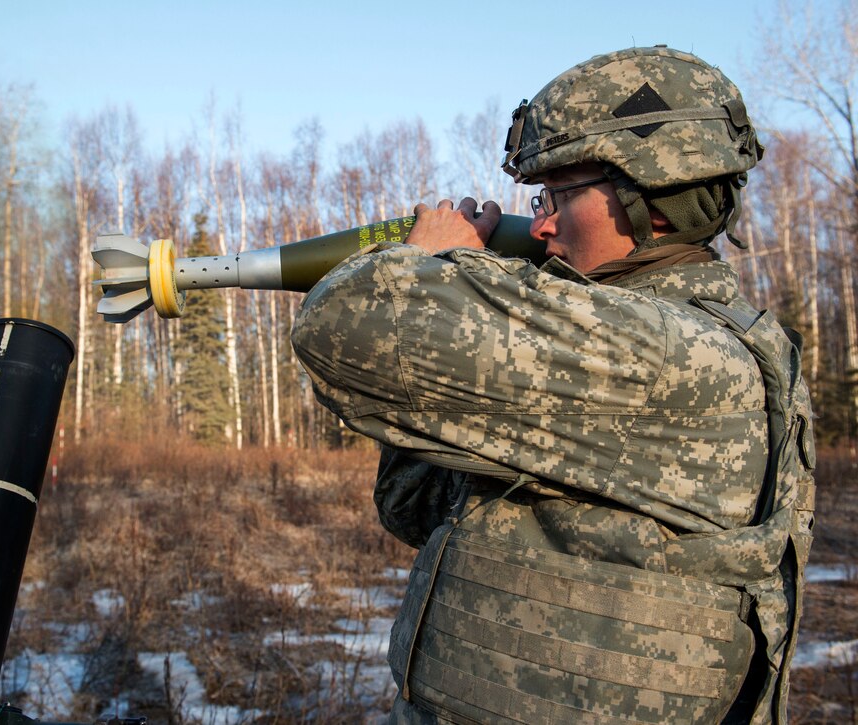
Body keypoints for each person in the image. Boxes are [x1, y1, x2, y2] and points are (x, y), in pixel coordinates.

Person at [291, 46, 816, 724]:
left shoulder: (665, 351)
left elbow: (339, 324)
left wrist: (430, 265)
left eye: (560, 196)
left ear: (651, 201)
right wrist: (436, 384)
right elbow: (413, 508)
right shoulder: (665, 337)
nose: (539, 224)